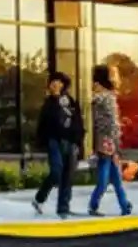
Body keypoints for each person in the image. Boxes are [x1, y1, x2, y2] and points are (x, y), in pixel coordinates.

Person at [31, 71, 83, 218]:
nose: (55, 84)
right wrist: (41, 143)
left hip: (70, 141)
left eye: (59, 82)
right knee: (56, 171)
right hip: (54, 141)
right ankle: (39, 198)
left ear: (63, 84)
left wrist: (79, 142)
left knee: (67, 175)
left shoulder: (71, 102)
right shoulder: (48, 103)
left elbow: (78, 122)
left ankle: (63, 208)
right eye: (53, 82)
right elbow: (43, 124)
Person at [88, 64, 132, 217]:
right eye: (113, 74)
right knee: (105, 177)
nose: (116, 78)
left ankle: (124, 206)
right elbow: (107, 123)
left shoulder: (106, 97)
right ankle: (94, 205)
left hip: (109, 142)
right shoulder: (103, 98)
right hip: (106, 142)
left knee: (115, 178)